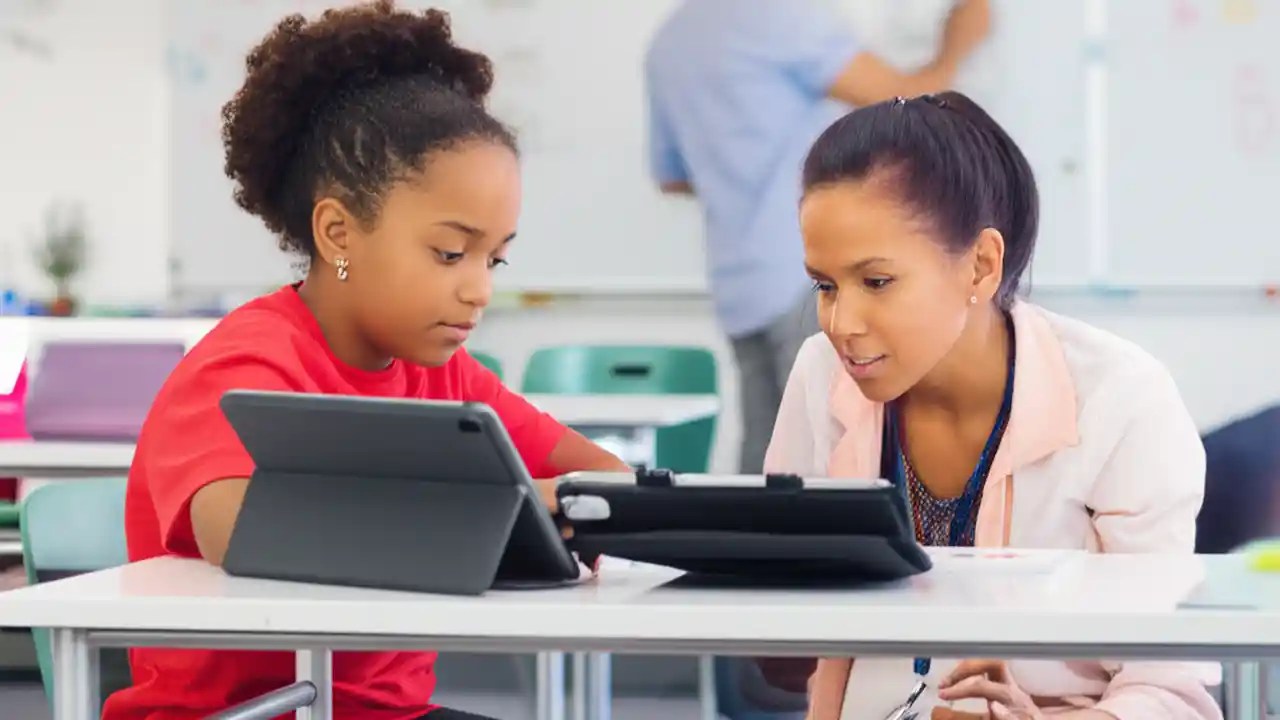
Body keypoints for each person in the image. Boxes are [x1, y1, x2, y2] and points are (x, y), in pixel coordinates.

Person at [103, 3, 629, 719]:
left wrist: (550, 503)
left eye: (494, 258)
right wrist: (504, 508)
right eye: (449, 253)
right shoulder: (244, 365)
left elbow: (605, 478)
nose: (479, 288)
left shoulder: (441, 371)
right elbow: (246, 526)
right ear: (337, 232)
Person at [766, 91, 1222, 719]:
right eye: (825, 285)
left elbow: (1173, 692)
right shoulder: (822, 375)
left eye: (876, 282)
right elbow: (782, 618)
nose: (841, 322)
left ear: (981, 266)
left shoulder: (1121, 398)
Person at [645, 0, 991, 476]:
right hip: (812, 277)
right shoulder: (778, 17)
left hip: (739, 282)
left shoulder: (670, 42)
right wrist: (961, 38)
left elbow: (673, 177)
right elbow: (908, 107)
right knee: (838, 458)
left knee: (770, 465)